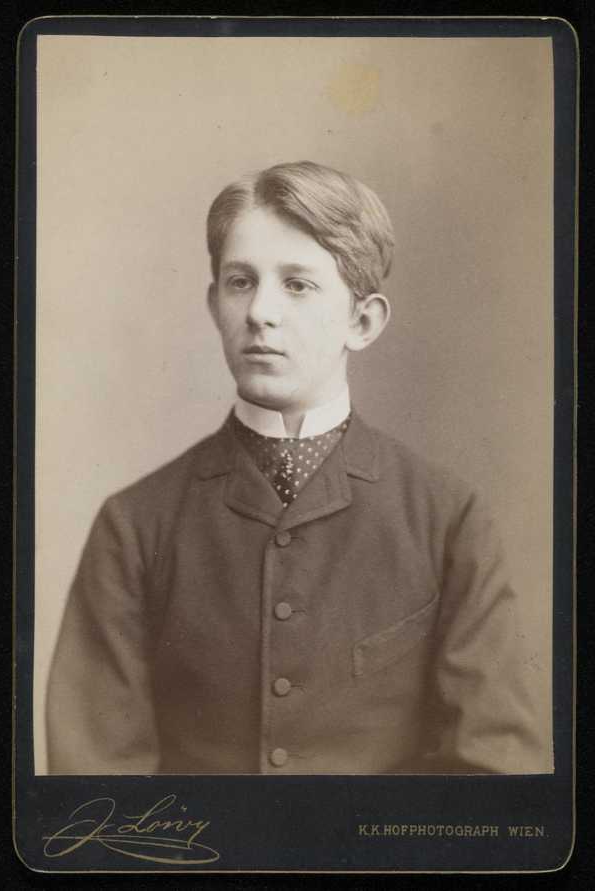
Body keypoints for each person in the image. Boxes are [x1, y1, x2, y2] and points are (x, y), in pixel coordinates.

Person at [47, 160, 542, 775]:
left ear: (363, 322)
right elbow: (97, 793)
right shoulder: (135, 524)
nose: (260, 312)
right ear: (214, 305)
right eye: (240, 282)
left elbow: (494, 767)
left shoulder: (446, 517)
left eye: (297, 284)